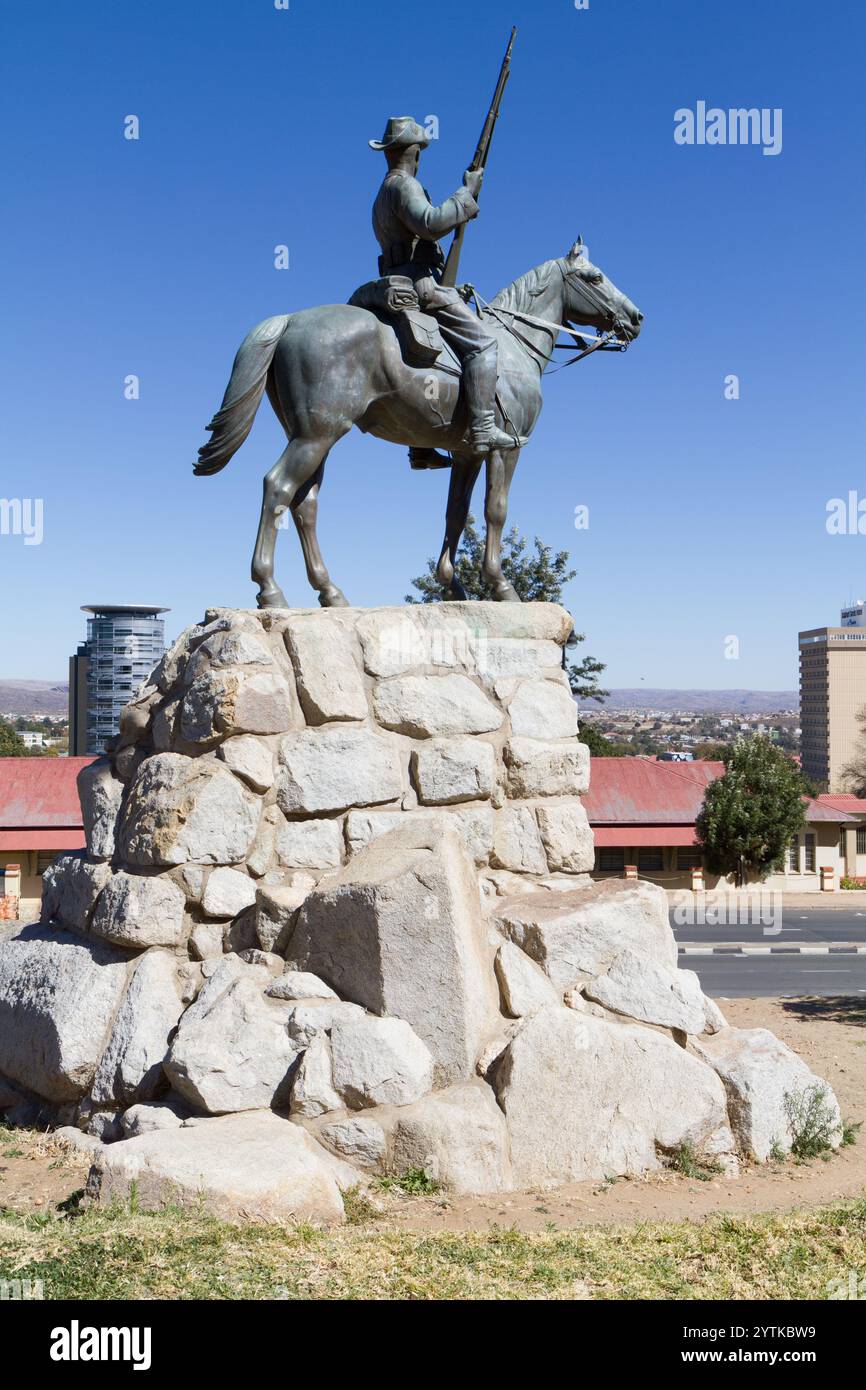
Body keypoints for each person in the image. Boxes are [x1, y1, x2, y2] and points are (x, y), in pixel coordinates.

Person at [369, 115, 517, 469]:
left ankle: (420, 446)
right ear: (415, 152)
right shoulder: (404, 186)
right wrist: (466, 193)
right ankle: (482, 428)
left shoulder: (383, 192)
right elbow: (431, 224)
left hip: (401, 276)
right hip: (419, 284)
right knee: (484, 344)